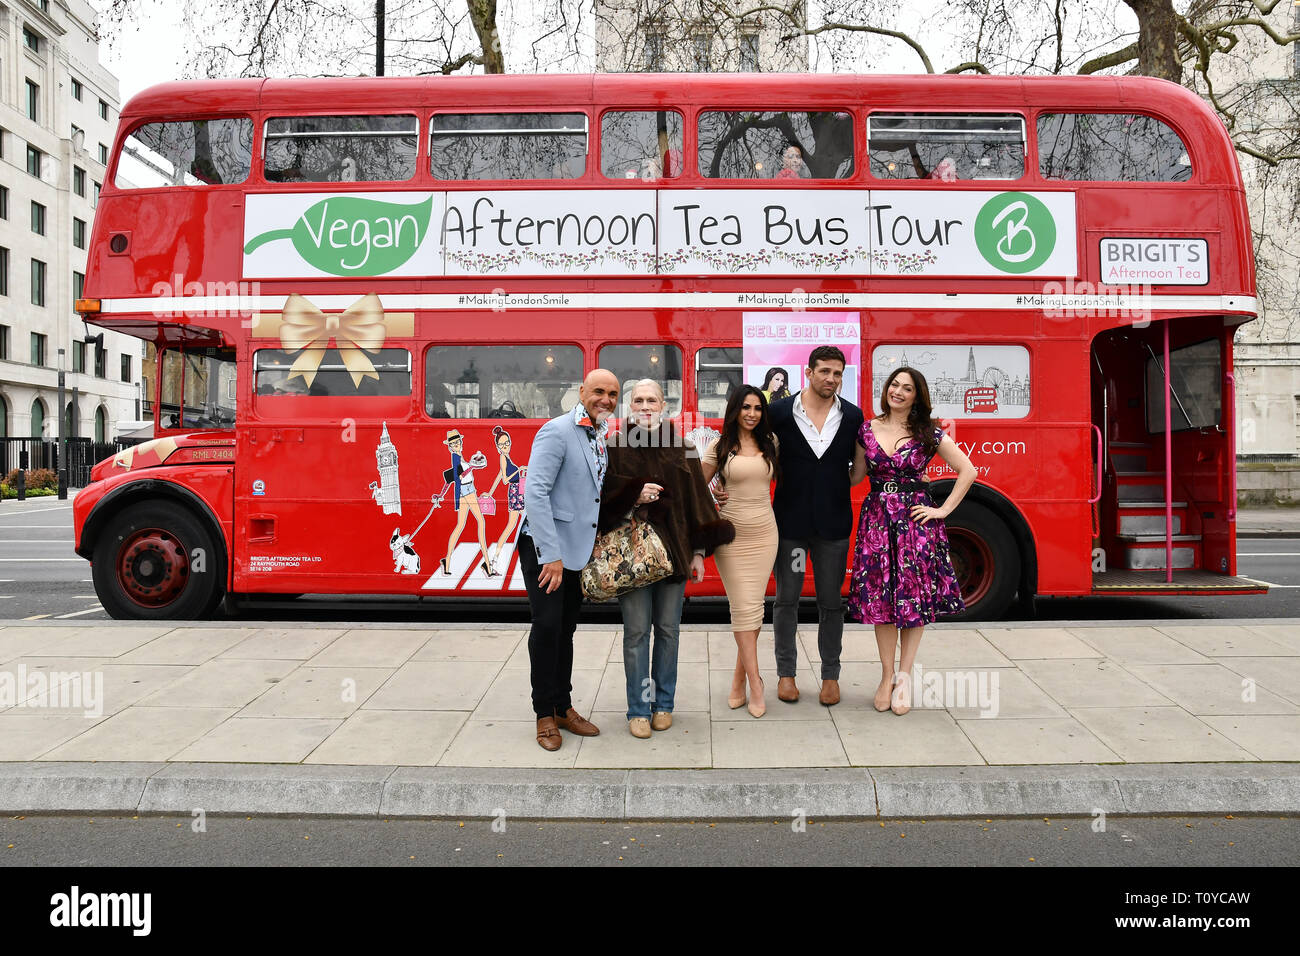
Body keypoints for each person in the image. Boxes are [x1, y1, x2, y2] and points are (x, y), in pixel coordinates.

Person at [597, 380, 734, 738]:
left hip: (675, 554)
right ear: (629, 406)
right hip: (632, 558)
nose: (645, 406)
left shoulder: (683, 448)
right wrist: (633, 495)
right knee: (637, 632)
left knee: (669, 632)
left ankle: (664, 705)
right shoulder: (613, 446)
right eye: (638, 400)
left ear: (664, 406)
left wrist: (700, 553)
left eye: (652, 400)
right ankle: (639, 708)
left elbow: (697, 504)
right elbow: (600, 499)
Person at [848, 366, 976, 714]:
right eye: (894, 385)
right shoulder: (866, 429)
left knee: (912, 600)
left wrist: (942, 511)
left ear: (917, 396)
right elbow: (856, 477)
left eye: (907, 388)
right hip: (876, 520)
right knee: (883, 602)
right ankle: (886, 675)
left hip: (915, 523)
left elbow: (968, 470)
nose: (898, 391)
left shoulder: (928, 431)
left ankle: (904, 677)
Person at [519, 369, 621, 751]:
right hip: (546, 551)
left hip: (575, 552)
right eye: (598, 391)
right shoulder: (556, 430)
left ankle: (563, 705)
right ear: (582, 391)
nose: (606, 399)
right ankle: (544, 714)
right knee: (546, 627)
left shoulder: (598, 436)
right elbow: (536, 493)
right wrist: (552, 555)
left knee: (565, 630)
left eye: (612, 394)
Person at [767, 346, 866, 707]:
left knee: (830, 603)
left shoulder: (853, 417)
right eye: (824, 371)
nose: (831, 379)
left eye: (838, 373)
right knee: (787, 601)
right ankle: (786, 675)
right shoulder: (778, 412)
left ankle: (830, 677)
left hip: (834, 529)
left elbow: (858, 472)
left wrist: (829, 488)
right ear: (808, 372)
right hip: (791, 527)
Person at [701, 386, 779, 718]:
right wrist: (714, 497)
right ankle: (757, 684)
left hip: (765, 534)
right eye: (745, 407)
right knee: (743, 608)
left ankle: (738, 679)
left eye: (758, 408)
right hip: (732, 538)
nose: (752, 413)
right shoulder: (718, 447)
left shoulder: (770, 442)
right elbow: (694, 488)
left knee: (754, 609)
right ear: (734, 410)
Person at [436, 430, 492, 577]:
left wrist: (441, 495)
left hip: (464, 492)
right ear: (449, 447)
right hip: (468, 491)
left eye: (458, 442)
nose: (457, 445)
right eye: (453, 444)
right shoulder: (456, 457)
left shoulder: (459, 457)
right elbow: (459, 476)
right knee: (481, 522)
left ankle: (447, 561)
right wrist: (472, 466)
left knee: (460, 526)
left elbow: (452, 478)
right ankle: (487, 564)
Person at [485, 425, 525, 568]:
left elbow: (499, 475)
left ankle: (494, 559)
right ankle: (494, 559)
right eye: (502, 444)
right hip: (514, 492)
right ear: (498, 447)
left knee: (515, 524)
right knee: (512, 526)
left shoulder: (506, 457)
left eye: (507, 443)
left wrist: (490, 492)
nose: (505, 446)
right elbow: (505, 480)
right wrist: (518, 470)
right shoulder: (503, 457)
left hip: (518, 491)